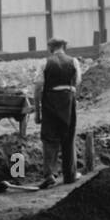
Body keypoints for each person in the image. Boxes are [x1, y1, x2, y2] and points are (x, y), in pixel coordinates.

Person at [34, 39, 80, 189]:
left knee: (49, 138)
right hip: (68, 101)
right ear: (64, 47)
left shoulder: (45, 63)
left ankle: (49, 175)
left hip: (50, 103)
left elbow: (38, 88)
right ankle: (70, 175)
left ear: (50, 48)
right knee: (68, 136)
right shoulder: (74, 61)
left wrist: (37, 112)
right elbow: (76, 82)